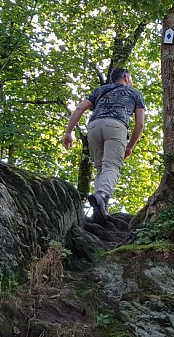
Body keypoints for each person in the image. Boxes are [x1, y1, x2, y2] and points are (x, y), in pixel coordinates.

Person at [63, 68, 145, 225]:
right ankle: (102, 195)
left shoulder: (100, 90)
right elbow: (140, 124)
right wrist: (130, 147)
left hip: (94, 126)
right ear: (126, 78)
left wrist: (68, 132)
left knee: (101, 167)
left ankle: (100, 209)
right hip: (116, 126)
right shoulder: (135, 93)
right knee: (112, 166)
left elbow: (80, 108)